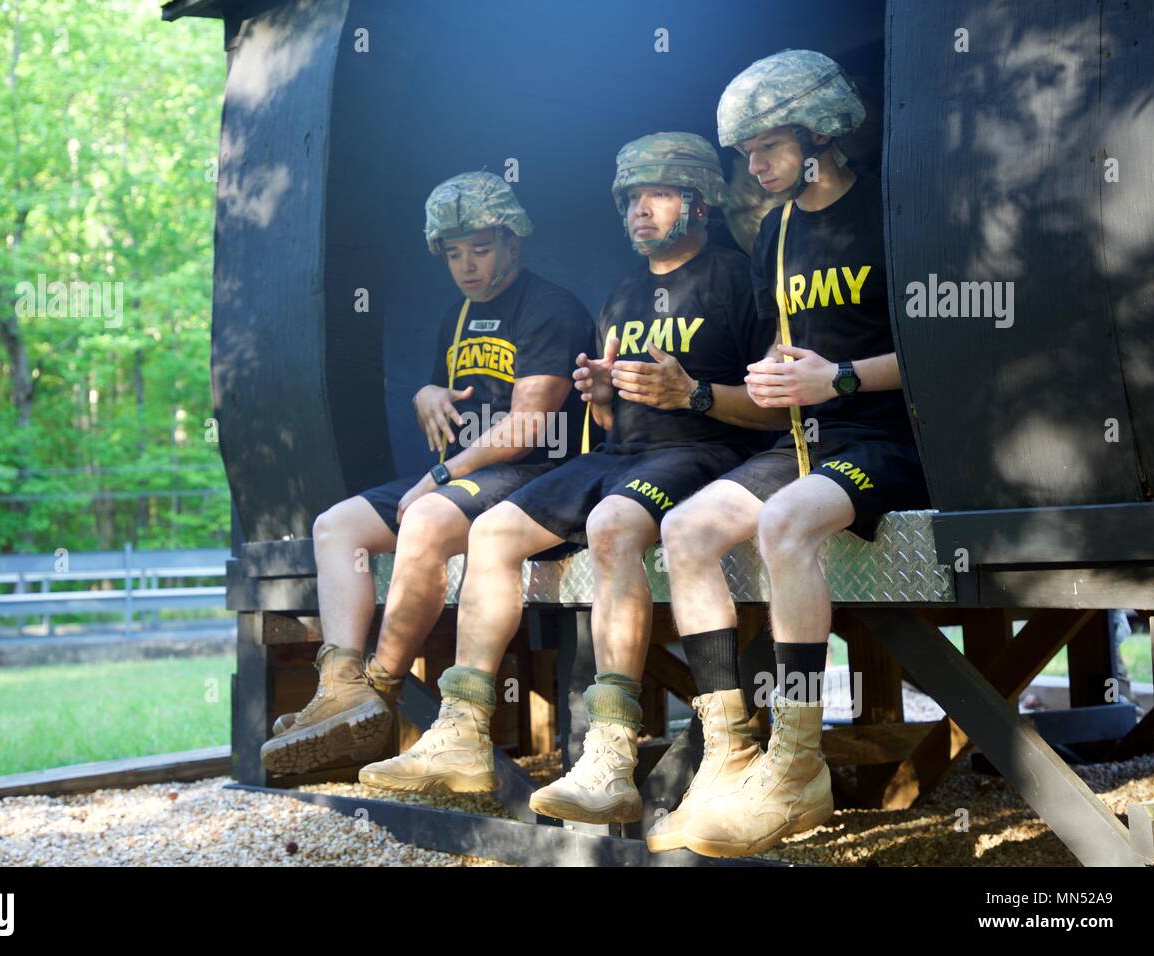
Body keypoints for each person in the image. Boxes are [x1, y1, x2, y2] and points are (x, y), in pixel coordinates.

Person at [358, 134, 781, 823]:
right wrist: (603, 394)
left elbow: (776, 408)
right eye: (630, 199)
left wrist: (694, 394)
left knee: (612, 525)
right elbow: (613, 421)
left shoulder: (740, 278)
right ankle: (462, 734)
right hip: (623, 456)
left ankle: (611, 753)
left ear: (699, 202)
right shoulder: (623, 292)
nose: (639, 211)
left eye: (657, 195)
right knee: (490, 531)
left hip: (707, 451)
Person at [647, 49, 930, 858]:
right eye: (745, 153)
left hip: (889, 437)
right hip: (809, 438)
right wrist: (769, 381)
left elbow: (941, 345)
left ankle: (797, 757)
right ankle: (728, 754)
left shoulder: (890, 208)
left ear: (821, 132)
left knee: (787, 523)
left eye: (766, 145)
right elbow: (791, 357)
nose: (754, 165)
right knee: (685, 531)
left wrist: (838, 378)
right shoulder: (773, 231)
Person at [260, 172, 593, 776]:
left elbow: (527, 426)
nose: (466, 265)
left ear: (513, 242)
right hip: (466, 474)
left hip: (539, 476)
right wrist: (426, 395)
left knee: (426, 515)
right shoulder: (459, 315)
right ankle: (342, 689)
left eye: (481, 249)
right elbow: (454, 407)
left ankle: (380, 688)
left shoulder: (552, 309)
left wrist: (438, 475)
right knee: (335, 527)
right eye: (454, 253)